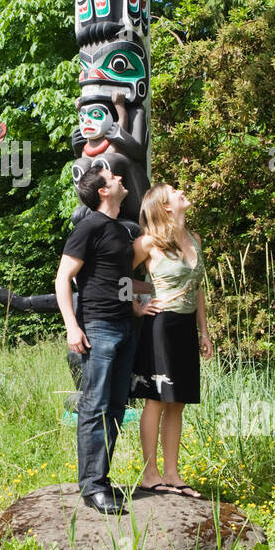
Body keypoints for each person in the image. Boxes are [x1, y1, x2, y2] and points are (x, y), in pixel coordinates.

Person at [56, 164, 155, 516]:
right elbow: (63, 278)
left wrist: (141, 303)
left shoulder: (116, 230)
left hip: (124, 327)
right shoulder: (89, 226)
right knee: (94, 406)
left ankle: (101, 478)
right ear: (102, 190)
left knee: (115, 407)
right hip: (97, 328)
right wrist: (72, 325)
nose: (118, 178)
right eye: (112, 177)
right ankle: (92, 487)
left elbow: (118, 278)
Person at [131, 183, 214, 499]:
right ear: (164, 206)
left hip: (185, 327)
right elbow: (117, 275)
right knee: (158, 397)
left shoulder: (195, 239)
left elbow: (199, 288)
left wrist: (204, 331)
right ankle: (150, 474)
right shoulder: (149, 242)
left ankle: (172, 473)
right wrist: (136, 306)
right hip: (161, 326)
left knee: (177, 400)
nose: (182, 192)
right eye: (174, 192)